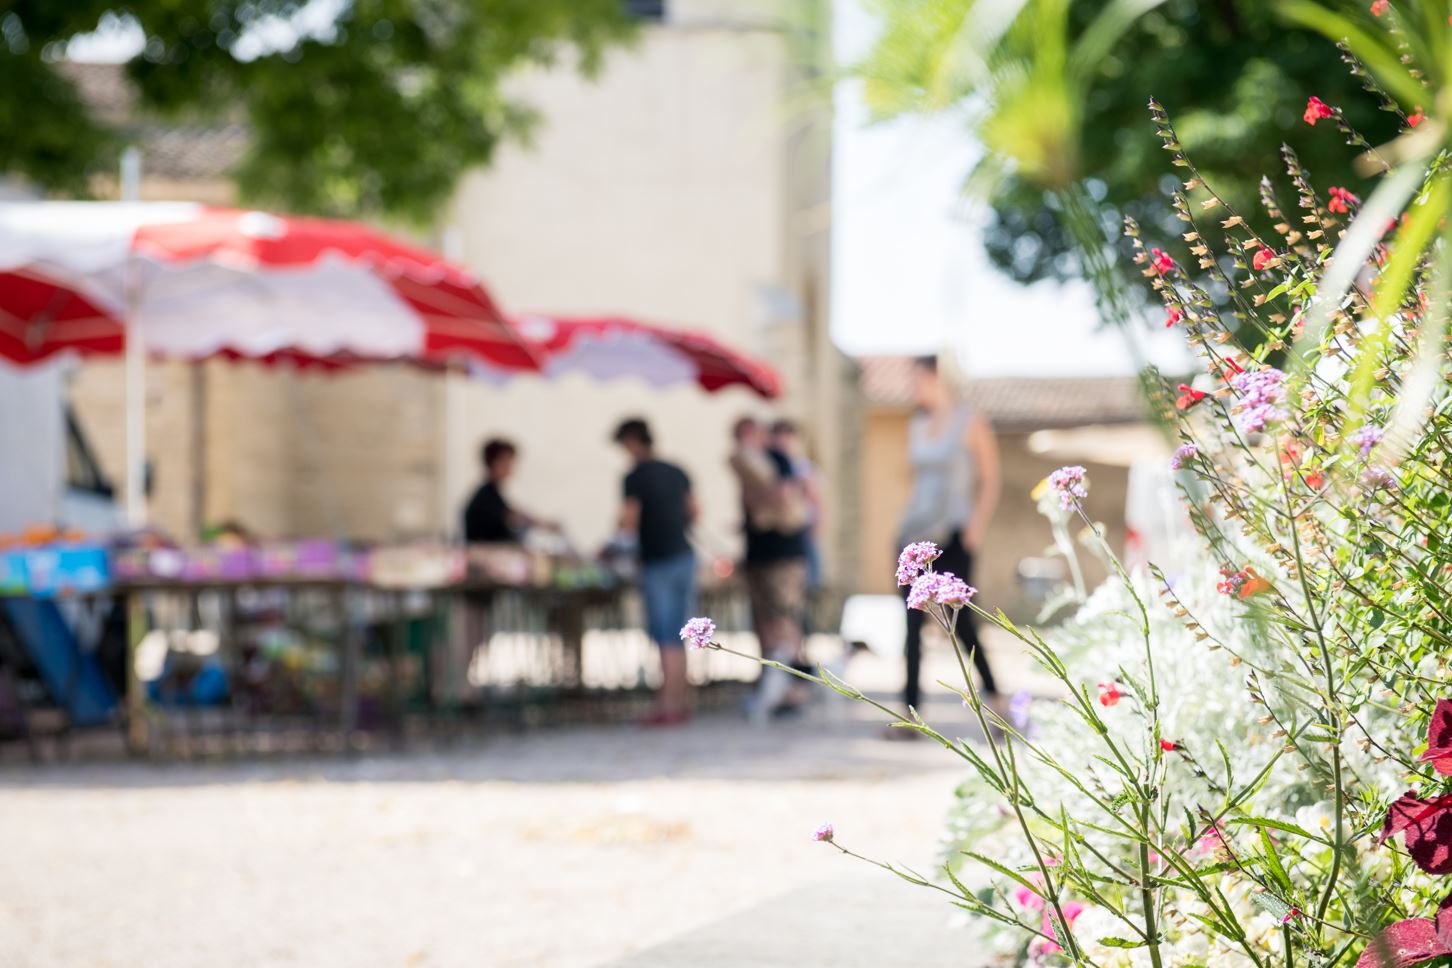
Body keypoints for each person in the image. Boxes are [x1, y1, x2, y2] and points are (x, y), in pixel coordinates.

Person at [896, 356, 1002, 724]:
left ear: (937, 378)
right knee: (910, 621)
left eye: (917, 380)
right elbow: (916, 480)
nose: (913, 389)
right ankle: (910, 713)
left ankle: (996, 700)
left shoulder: (970, 422)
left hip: (955, 533)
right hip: (914, 533)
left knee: (963, 621)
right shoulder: (917, 424)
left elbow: (990, 478)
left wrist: (976, 526)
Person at [613, 418, 698, 726]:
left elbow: (628, 520)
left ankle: (667, 706)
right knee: (683, 632)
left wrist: (614, 543)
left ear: (633, 442)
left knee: (665, 635)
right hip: (685, 556)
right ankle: (681, 702)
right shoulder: (677, 470)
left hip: (658, 560)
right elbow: (695, 511)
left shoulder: (634, 477)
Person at [730, 416, 811, 720]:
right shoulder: (744, 466)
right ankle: (770, 687)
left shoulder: (776, 458)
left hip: (785, 555)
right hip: (758, 555)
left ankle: (794, 689)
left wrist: (757, 496)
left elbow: (788, 495)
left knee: (786, 621)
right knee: (763, 623)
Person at [769, 419, 822, 589]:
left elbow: (815, 500)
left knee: (806, 581)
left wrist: (816, 525)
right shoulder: (773, 465)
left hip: (801, 527)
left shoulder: (801, 467)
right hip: (783, 529)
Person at [461, 438, 543, 544]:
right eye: (506, 461)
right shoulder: (486, 495)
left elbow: (513, 513)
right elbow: (511, 516)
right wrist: (537, 523)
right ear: (493, 463)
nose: (510, 466)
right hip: (486, 554)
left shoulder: (493, 492)